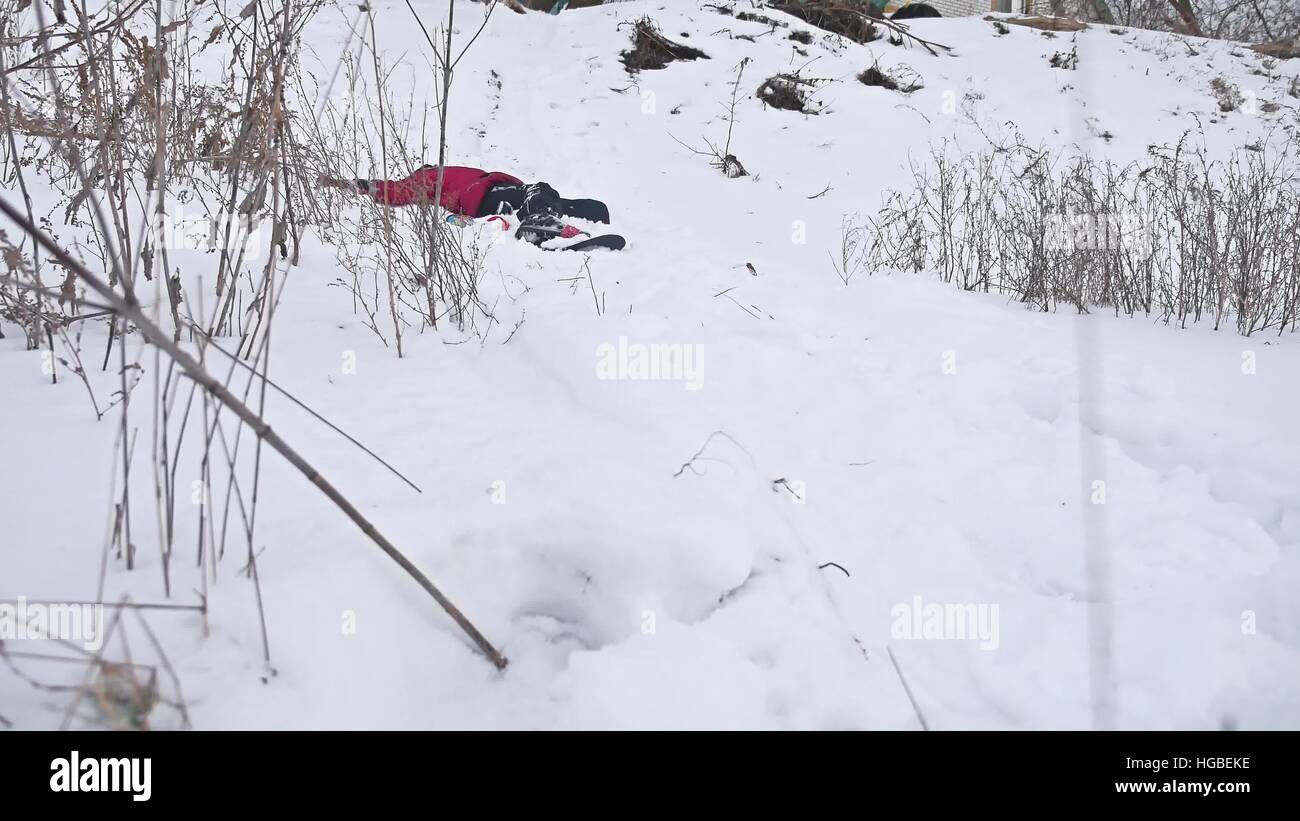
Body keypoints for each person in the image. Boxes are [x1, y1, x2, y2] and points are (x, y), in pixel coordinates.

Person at [317, 165, 611, 245]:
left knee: (540, 195)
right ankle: (541, 224)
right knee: (539, 191)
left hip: (499, 194)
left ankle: (547, 216)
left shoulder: (444, 177)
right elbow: (396, 191)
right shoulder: (430, 178)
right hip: (490, 196)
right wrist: (351, 185)